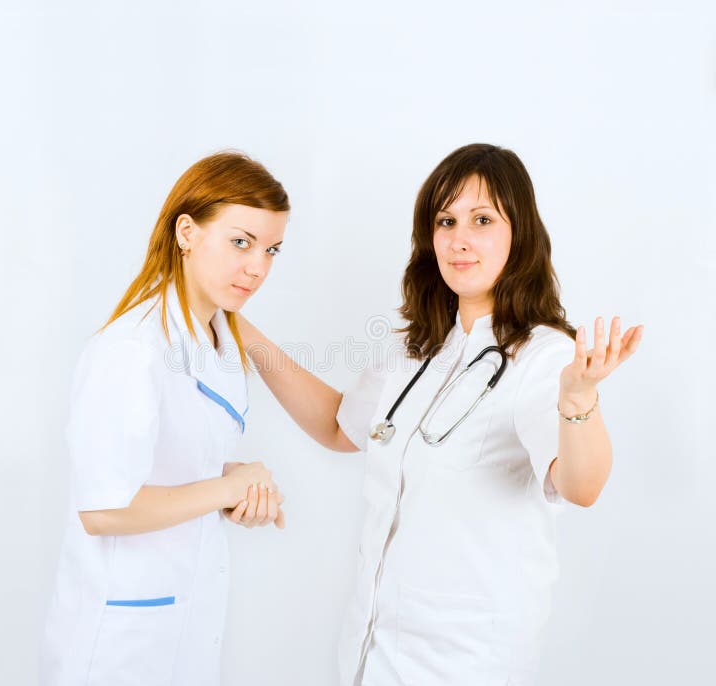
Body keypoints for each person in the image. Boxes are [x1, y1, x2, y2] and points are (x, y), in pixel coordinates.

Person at [236, 143, 643, 685]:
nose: (459, 239)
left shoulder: (545, 356)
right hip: (371, 650)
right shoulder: (417, 350)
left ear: (518, 234)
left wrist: (578, 403)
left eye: (482, 220)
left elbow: (581, 485)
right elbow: (340, 426)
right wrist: (242, 332)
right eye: (445, 221)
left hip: (467, 659)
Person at [40, 151, 289, 686]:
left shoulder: (217, 340)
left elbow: (183, 468)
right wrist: (227, 488)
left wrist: (234, 492)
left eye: (271, 249)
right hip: (119, 650)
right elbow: (103, 509)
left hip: (183, 628)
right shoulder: (132, 349)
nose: (258, 267)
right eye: (241, 242)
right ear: (187, 232)